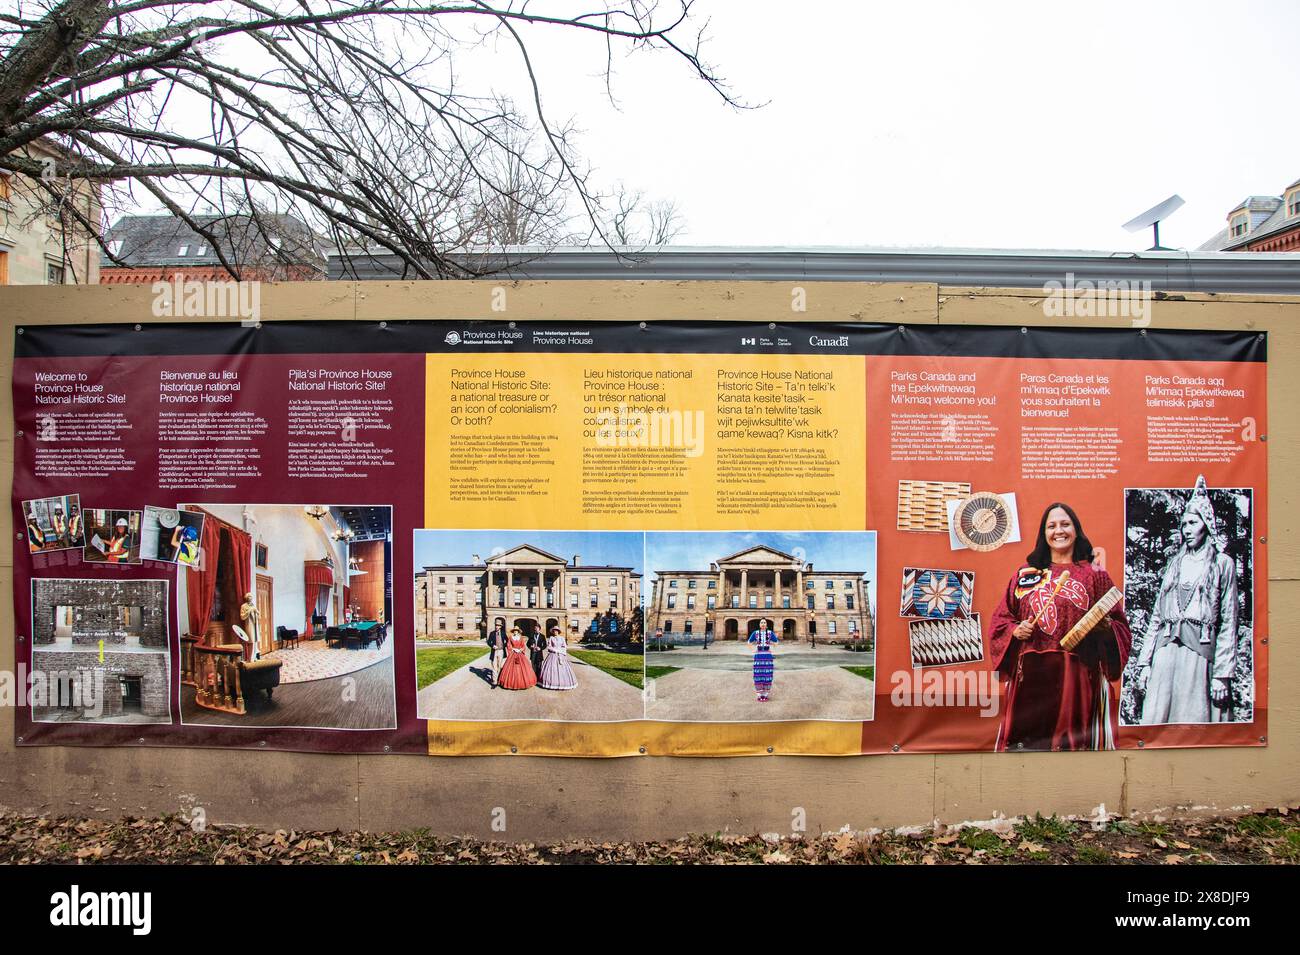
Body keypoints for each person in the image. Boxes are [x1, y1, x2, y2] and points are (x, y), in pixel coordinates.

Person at [989, 502, 1132, 751]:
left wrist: (1104, 626)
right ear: (1044, 533)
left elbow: (1119, 624)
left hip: (1078, 677)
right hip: (1032, 678)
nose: (1059, 530)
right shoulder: (1026, 574)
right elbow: (1001, 620)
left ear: (1076, 530)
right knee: (1028, 750)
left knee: (1073, 750)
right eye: (1051, 526)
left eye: (1065, 524)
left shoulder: (1094, 573)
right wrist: (1015, 629)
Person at [1134, 476, 1238, 724]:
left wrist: (1222, 674)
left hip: (1199, 656)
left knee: (1195, 722)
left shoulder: (1222, 564)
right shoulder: (1175, 564)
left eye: (1193, 523)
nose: (1187, 530)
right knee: (1157, 722)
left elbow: (1229, 622)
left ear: (1207, 525)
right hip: (1165, 656)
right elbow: (1157, 616)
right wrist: (1145, 664)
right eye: (1184, 524)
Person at [748, 617, 779, 702]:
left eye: (764, 622)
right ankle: (759, 694)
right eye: (761, 622)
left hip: (767, 656)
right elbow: (749, 642)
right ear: (759, 624)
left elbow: (776, 642)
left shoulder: (770, 633)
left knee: (767, 674)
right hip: (758, 655)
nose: (763, 624)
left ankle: (765, 694)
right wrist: (753, 650)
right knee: (758, 674)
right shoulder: (755, 633)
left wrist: (771, 646)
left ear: (766, 624)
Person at [497, 626, 537, 690]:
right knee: (510, 667)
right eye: (514, 631)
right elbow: (508, 645)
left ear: (518, 631)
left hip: (519, 653)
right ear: (513, 631)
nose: (515, 631)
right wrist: (513, 649)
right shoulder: (510, 637)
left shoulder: (520, 638)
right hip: (513, 653)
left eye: (516, 631)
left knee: (523, 667)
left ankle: (523, 682)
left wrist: (520, 650)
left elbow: (523, 646)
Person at [538, 625, 577, 690]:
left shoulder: (562, 638)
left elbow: (564, 646)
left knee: (562, 668)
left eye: (556, 631)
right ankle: (550, 682)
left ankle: (562, 682)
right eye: (554, 631)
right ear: (553, 632)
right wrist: (554, 650)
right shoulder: (551, 638)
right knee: (551, 669)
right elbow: (549, 646)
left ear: (558, 631)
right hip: (553, 654)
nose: (555, 632)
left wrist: (560, 651)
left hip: (560, 655)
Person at [485, 620, 507, 687]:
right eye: (496, 625)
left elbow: (507, 640)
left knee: (499, 666)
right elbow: (488, 642)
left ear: (500, 626)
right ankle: (494, 682)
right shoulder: (492, 633)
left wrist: (504, 645)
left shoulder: (503, 633)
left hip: (501, 651)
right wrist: (492, 646)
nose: (497, 626)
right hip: (494, 652)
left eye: (498, 625)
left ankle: (498, 680)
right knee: (494, 666)